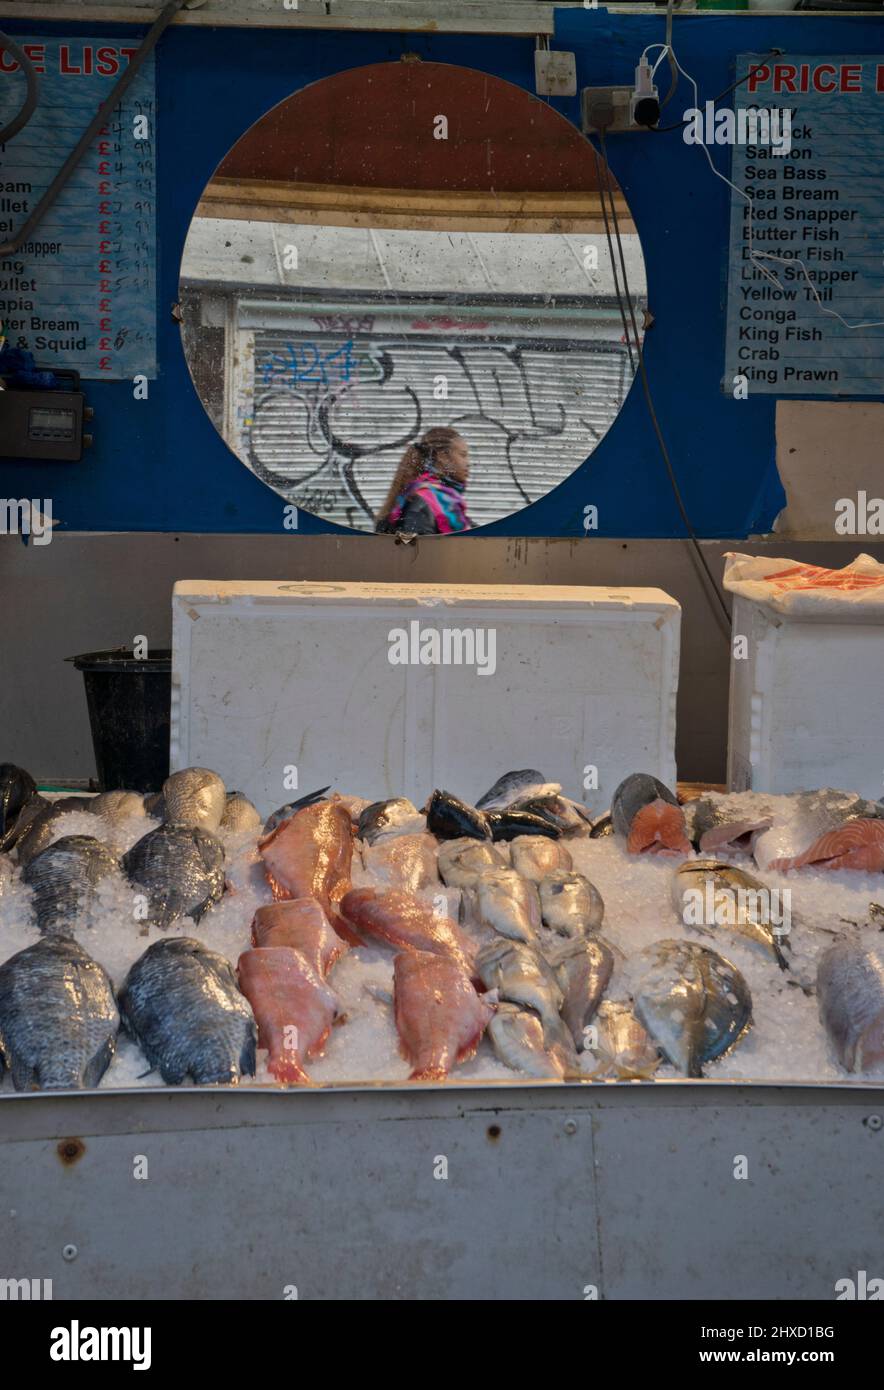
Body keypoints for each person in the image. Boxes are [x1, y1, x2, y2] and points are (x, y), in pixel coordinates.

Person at [376, 426, 473, 535]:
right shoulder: (423, 503)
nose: (468, 463)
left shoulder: (449, 503)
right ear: (443, 457)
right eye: (463, 455)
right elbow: (418, 550)